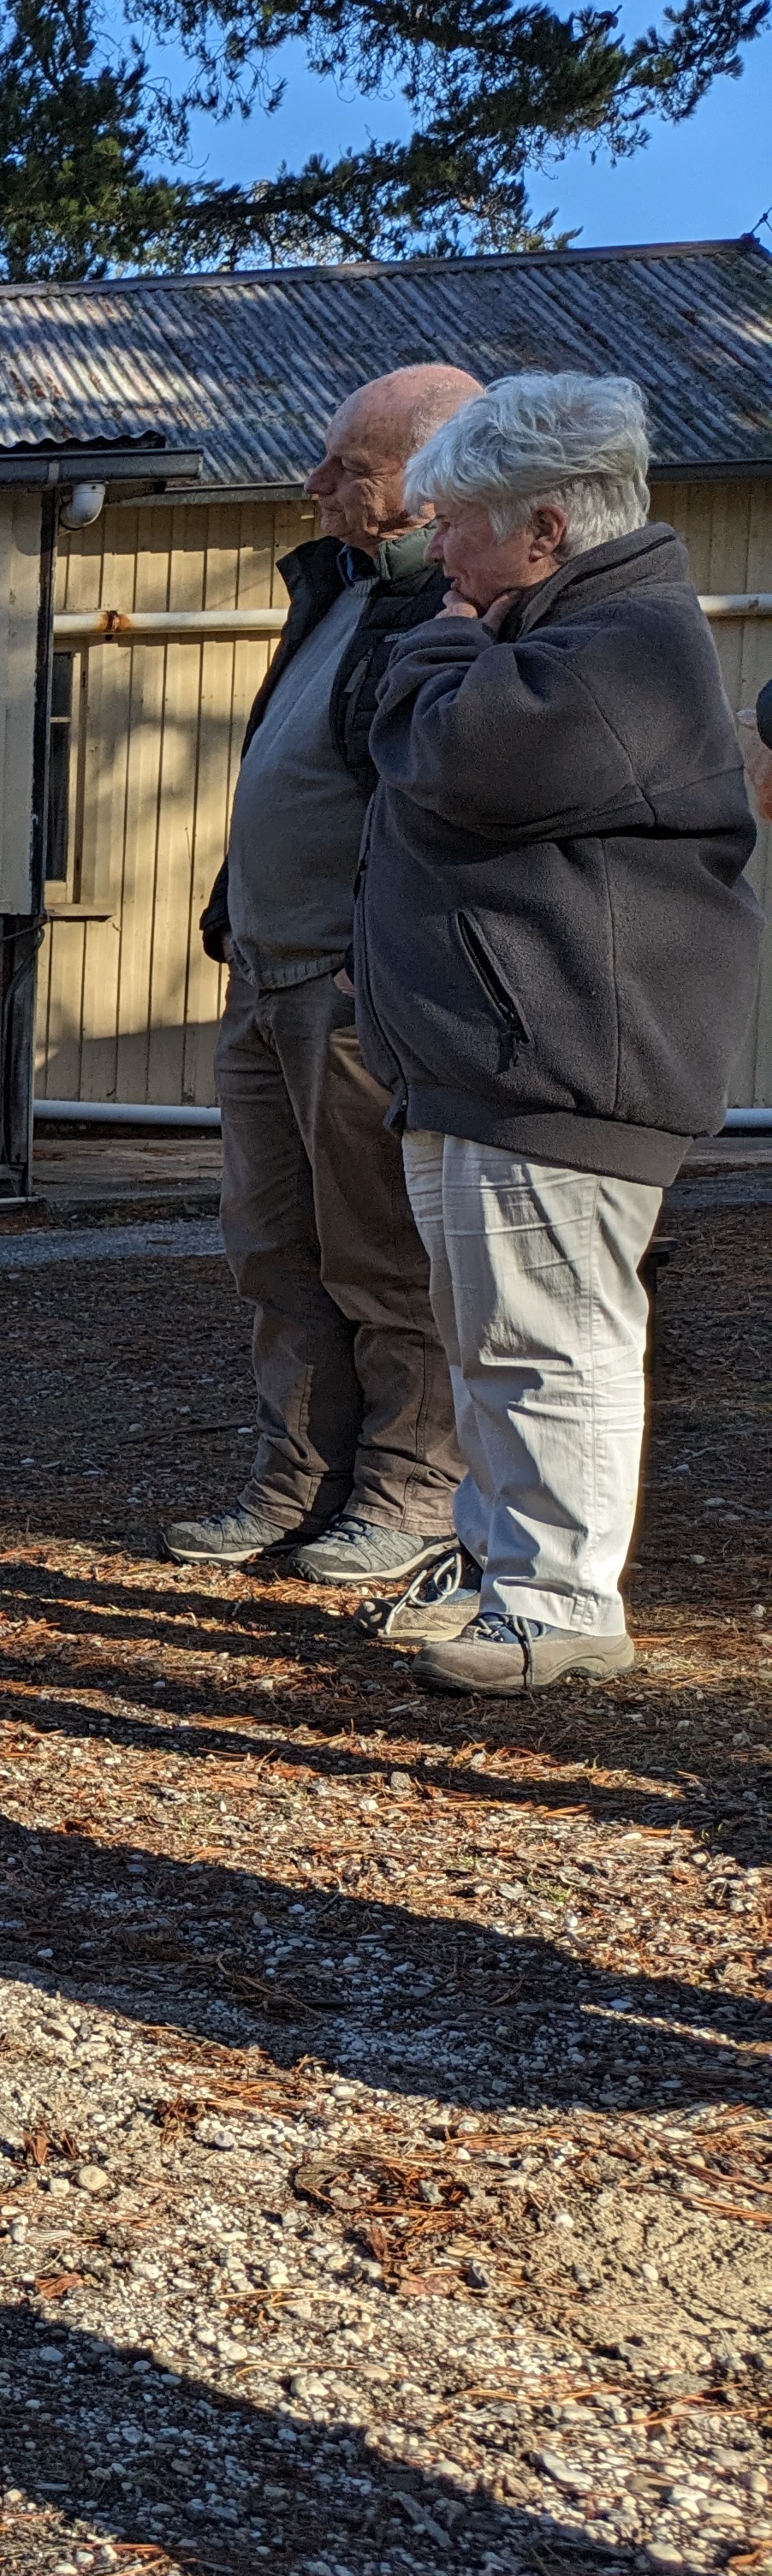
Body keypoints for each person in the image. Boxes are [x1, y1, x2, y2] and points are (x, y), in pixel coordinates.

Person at [359, 371, 762, 1692]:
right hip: (490, 1064)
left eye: (459, 522)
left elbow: (457, 758)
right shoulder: (561, 637)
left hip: (560, 1065)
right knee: (490, 1338)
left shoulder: (625, 646)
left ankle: (560, 1600)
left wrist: (432, 636)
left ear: (548, 529)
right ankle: (499, 1569)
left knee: (550, 1341)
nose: (439, 552)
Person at [168, 362, 482, 1583]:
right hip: (264, 974)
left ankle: (409, 1494)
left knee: (381, 1249)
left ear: (438, 479)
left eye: (351, 467)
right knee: (271, 1247)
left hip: (354, 991)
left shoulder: (455, 612)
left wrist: (376, 963)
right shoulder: (340, 594)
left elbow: (441, 807)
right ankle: (296, 1478)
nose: (318, 487)